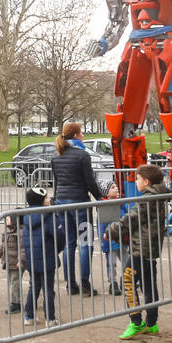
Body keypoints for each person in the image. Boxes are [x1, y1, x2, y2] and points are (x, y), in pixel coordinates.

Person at [110, 164, 171, 339]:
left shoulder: (148, 199)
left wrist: (112, 230)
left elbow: (131, 219)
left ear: (146, 181)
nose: (135, 182)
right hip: (149, 248)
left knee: (127, 281)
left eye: (137, 179)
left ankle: (136, 321)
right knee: (148, 284)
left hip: (141, 249)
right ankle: (151, 323)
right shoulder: (159, 195)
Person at [50, 121, 107, 296]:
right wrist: (99, 197)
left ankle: (71, 284)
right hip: (80, 205)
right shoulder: (82, 156)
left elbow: (57, 183)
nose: (83, 136)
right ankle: (84, 283)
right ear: (75, 135)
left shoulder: (56, 156)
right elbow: (89, 182)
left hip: (62, 203)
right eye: (81, 133)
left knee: (69, 243)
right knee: (86, 243)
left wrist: (56, 199)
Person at [20, 185, 64, 327]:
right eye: (46, 197)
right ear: (40, 201)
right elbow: (60, 236)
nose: (49, 199)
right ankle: (50, 318)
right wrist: (56, 250)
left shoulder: (27, 217)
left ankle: (29, 316)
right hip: (47, 257)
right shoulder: (49, 216)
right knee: (48, 289)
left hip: (32, 258)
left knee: (34, 287)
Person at [0, 214, 24, 313]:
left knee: (15, 283)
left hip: (16, 264)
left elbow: (22, 249)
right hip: (9, 263)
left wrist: (21, 261)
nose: (6, 219)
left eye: (8, 218)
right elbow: (2, 247)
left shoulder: (20, 233)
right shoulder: (7, 233)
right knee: (12, 283)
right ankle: (15, 302)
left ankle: (16, 303)